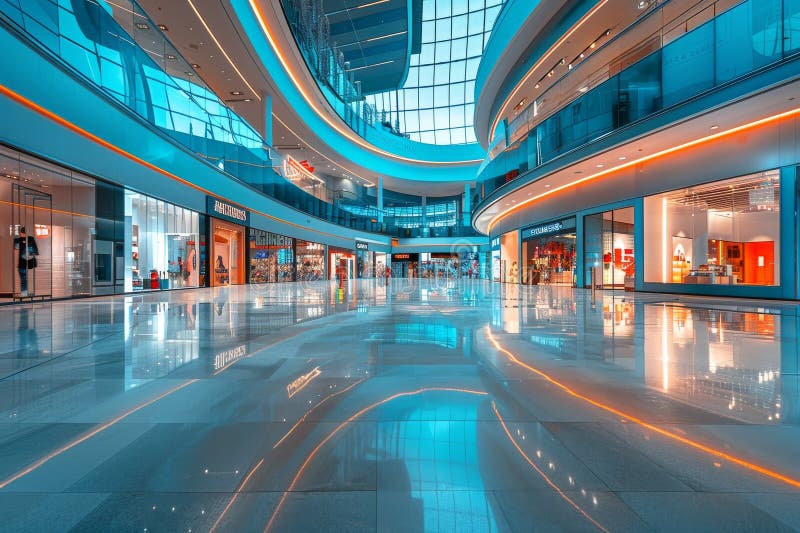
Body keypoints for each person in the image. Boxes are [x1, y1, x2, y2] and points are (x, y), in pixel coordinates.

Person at [14, 226, 38, 297]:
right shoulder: (30, 239)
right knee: (24, 277)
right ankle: (25, 292)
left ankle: (24, 292)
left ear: (20, 232)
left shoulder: (18, 240)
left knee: (23, 277)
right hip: (28, 262)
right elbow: (35, 251)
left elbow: (16, 249)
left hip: (24, 262)